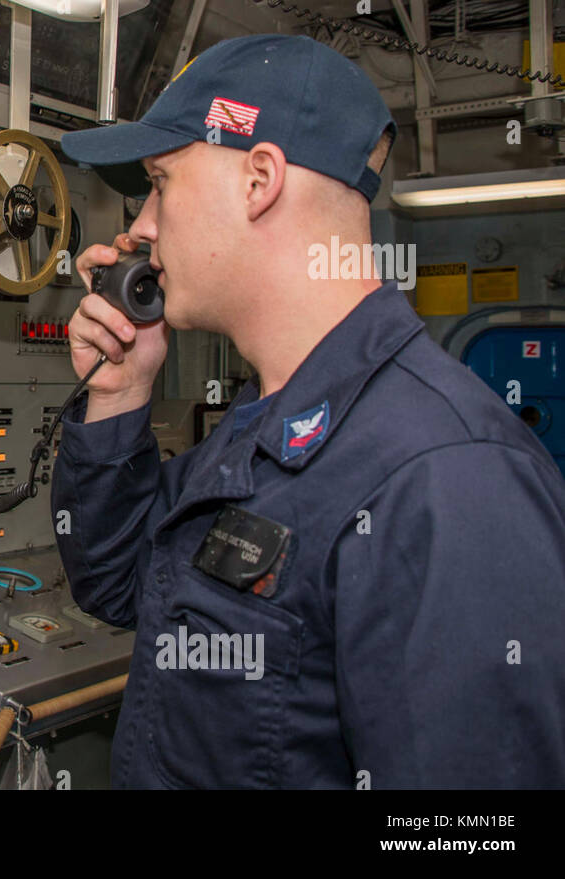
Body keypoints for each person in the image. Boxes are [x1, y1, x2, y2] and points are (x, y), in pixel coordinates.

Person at [52, 33, 565, 789]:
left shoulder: (449, 479)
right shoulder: (264, 424)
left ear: (260, 179)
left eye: (161, 182)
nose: (145, 225)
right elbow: (118, 585)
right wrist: (121, 393)